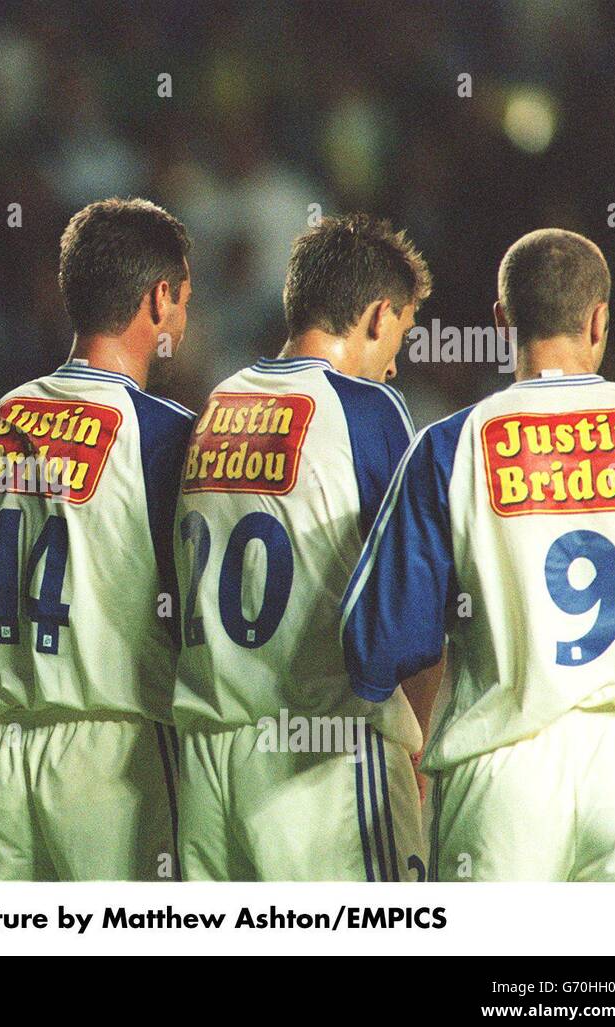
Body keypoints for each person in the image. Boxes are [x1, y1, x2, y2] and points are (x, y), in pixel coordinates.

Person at [342, 228, 615, 881]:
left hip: (501, 770)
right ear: (599, 318)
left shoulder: (447, 446)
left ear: (501, 320)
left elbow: (377, 644)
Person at [175, 214, 437, 881]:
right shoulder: (365, 408)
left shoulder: (215, 403)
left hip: (210, 758)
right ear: (378, 316)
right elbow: (407, 593)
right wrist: (425, 742)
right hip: (321, 757)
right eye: (402, 332)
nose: (397, 360)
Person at [0, 198, 193, 880]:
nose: (183, 320)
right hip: (114, 755)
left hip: (1, 757)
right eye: (182, 301)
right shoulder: (162, 431)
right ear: (158, 298)